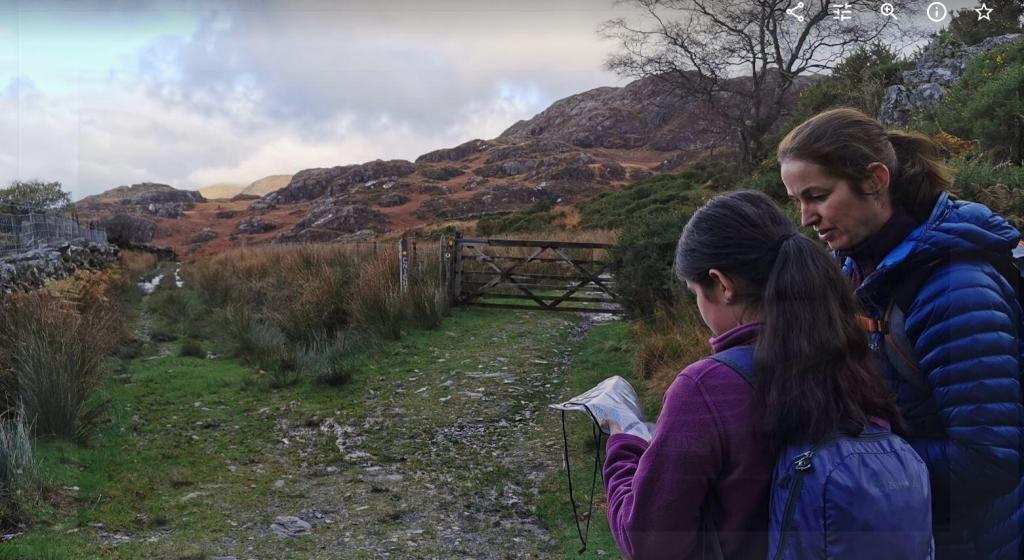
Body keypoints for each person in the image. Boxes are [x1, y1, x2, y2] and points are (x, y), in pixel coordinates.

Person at [602, 190, 905, 560]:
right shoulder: (855, 361)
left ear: (722, 284)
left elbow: (649, 544)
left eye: (696, 292)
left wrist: (623, 447)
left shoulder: (704, 388)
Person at [778, 107, 1024, 560]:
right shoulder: (857, 265)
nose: (806, 217)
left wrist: (849, 459)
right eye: (797, 200)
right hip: (915, 530)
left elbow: (990, 463)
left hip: (972, 542)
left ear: (874, 179)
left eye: (817, 196)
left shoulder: (955, 292)